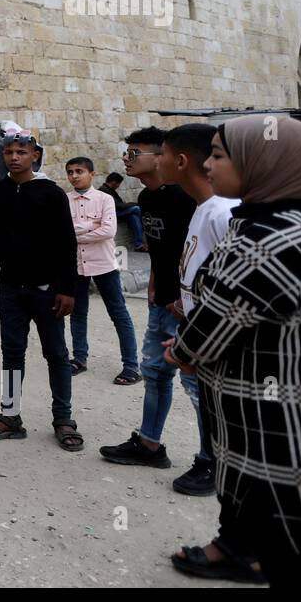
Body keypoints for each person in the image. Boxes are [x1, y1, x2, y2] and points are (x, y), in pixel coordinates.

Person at [166, 116, 301, 588]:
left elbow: (202, 341)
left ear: (263, 162)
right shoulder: (298, 224)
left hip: (271, 415)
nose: (208, 166)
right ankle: (236, 550)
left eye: (218, 155)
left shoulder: (262, 243)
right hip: (286, 398)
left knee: (291, 542)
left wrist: (183, 346)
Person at [99, 127, 205, 481]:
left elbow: (201, 255)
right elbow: (162, 251)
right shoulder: (147, 199)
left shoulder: (188, 199)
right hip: (162, 304)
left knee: (196, 385)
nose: (126, 159)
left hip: (188, 308)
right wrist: (156, 290)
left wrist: (186, 300)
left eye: (134, 153)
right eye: (126, 153)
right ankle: (149, 445)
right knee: (156, 373)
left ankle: (212, 461)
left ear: (161, 157)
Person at [0, 130, 81, 452]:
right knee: (12, 353)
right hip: (11, 289)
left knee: (57, 355)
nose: (14, 157)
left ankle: (63, 419)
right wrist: (9, 253)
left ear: (35, 155)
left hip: (48, 291)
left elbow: (66, 243)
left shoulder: (51, 193)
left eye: (21, 152)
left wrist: (67, 289)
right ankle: (10, 417)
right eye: (8, 152)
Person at [64, 157, 139, 384]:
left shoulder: (105, 199)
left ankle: (131, 366)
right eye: (70, 172)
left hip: (104, 264)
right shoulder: (63, 200)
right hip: (76, 265)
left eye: (79, 171)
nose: (74, 176)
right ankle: (79, 359)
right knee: (78, 313)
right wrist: (89, 226)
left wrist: (74, 232)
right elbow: (60, 230)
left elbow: (108, 231)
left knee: (118, 313)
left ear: (92, 174)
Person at [101, 171, 146, 251]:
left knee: (134, 216)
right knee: (136, 208)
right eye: (118, 184)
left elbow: (120, 205)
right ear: (114, 182)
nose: (118, 186)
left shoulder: (109, 190)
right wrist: (134, 204)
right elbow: (118, 206)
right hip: (111, 214)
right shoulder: (104, 191)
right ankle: (146, 227)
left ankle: (138, 244)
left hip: (117, 212)